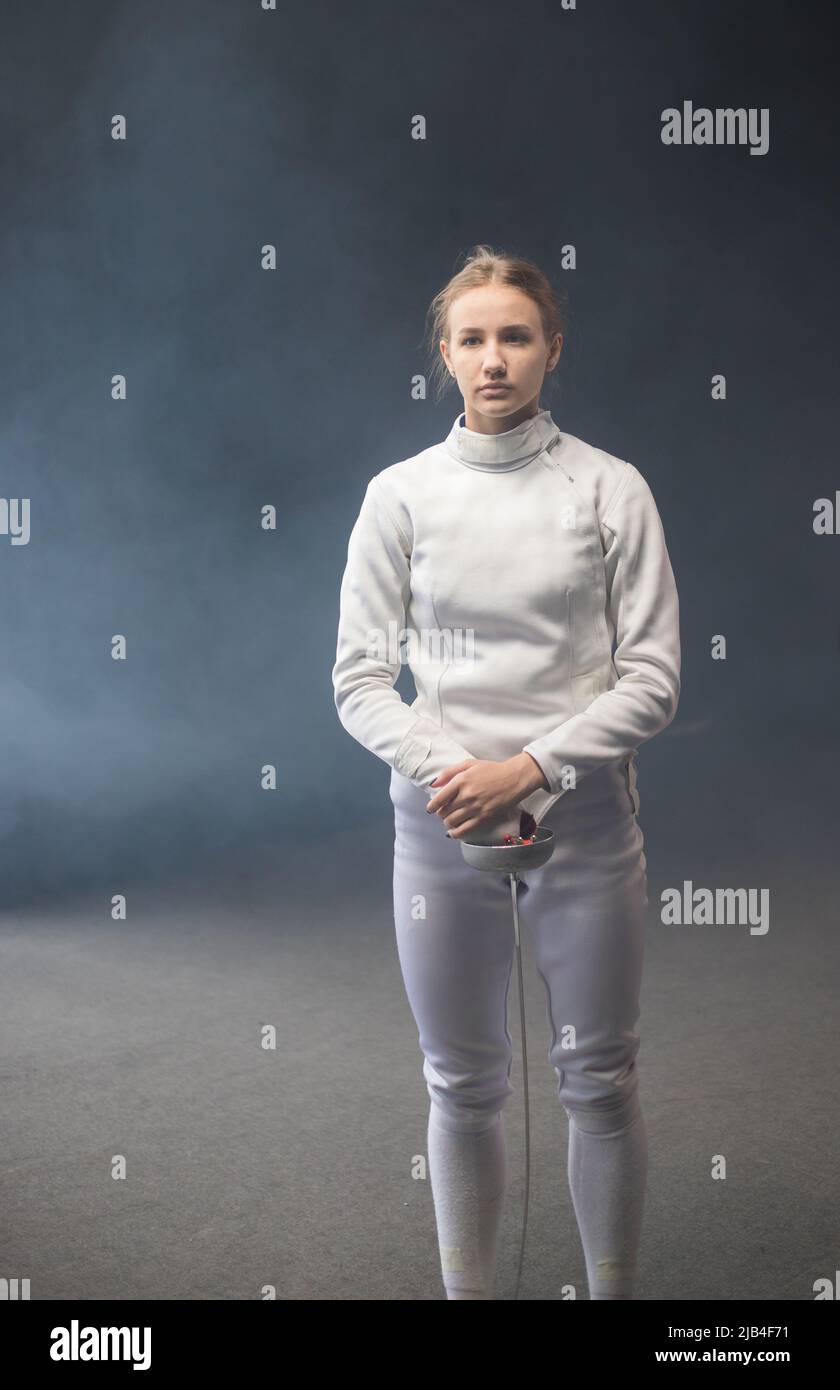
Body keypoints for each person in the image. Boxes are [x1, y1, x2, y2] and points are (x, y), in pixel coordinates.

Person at [331, 244, 681, 1299]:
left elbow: (654, 680)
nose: (495, 359)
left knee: (602, 1082)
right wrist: (463, 777)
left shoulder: (609, 489)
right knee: (462, 1083)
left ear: (551, 349)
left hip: (584, 828)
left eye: (515, 337)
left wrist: (528, 765)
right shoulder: (400, 495)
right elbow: (357, 679)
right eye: (473, 339)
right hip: (440, 829)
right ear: (445, 354)